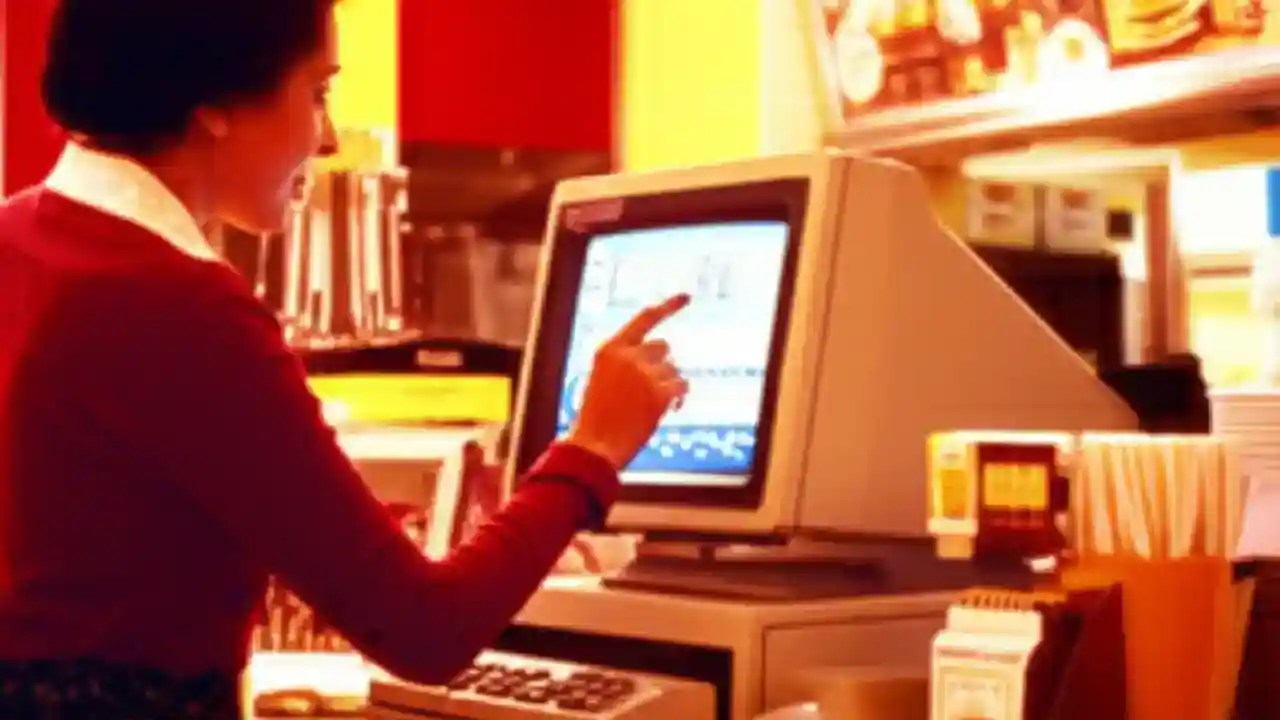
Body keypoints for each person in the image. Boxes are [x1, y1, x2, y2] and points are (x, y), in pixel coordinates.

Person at [0, 1, 688, 717]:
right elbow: (426, 629)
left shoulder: (20, 238)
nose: (328, 138)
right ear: (216, 102)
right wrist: (592, 449)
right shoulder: (175, 304)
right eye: (317, 92)